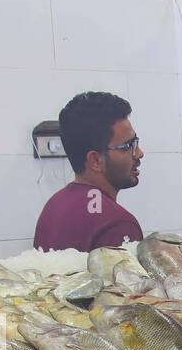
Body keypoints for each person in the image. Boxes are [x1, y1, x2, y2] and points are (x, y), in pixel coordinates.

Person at [34, 92, 144, 252]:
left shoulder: (54, 205)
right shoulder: (116, 224)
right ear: (95, 161)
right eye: (128, 146)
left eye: (136, 142)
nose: (139, 153)